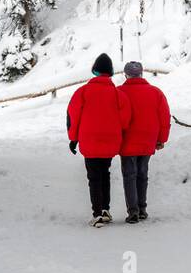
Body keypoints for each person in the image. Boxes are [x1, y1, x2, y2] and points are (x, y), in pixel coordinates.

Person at [66, 54, 131, 227]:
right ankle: (105, 210)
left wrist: (73, 138)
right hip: (110, 140)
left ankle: (97, 213)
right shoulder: (118, 94)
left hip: (89, 140)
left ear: (94, 70)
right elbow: (125, 119)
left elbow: (73, 116)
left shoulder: (83, 92)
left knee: (94, 176)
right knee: (105, 173)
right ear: (110, 72)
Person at [119, 61, 171, 223]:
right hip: (148, 138)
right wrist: (162, 139)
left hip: (127, 139)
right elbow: (164, 117)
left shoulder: (119, 92)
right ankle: (142, 209)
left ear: (125, 75)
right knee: (142, 174)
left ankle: (133, 211)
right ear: (141, 73)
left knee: (129, 175)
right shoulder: (156, 93)